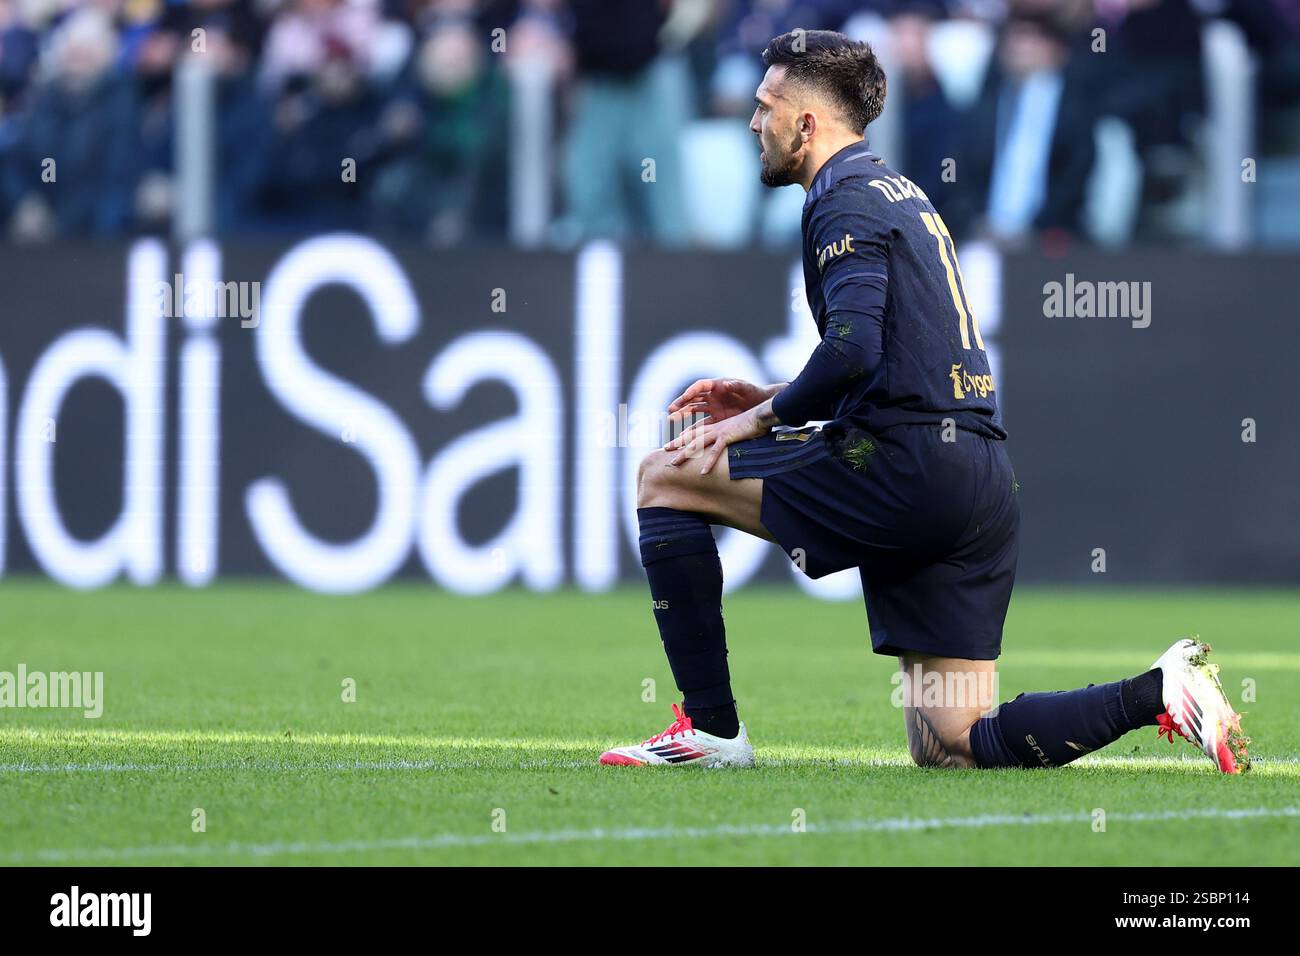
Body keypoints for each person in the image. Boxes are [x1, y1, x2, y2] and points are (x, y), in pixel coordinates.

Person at [598, 29, 1249, 774]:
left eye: (766, 105)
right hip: (976, 479)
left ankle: (711, 732)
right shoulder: (899, 191)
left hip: (902, 466)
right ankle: (1158, 690)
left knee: (663, 476)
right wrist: (778, 392)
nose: (754, 122)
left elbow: (851, 351)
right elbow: (901, 355)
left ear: (807, 123)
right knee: (952, 742)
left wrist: (755, 419)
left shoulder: (840, 201)